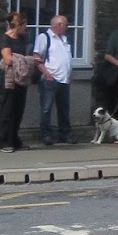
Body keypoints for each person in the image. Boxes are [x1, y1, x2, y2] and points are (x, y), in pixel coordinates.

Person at [0, 12, 37, 152]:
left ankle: (14, 139)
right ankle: (2, 141)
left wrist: (27, 60)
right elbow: (8, 59)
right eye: (24, 24)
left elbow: (25, 55)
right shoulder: (5, 39)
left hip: (21, 78)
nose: (26, 27)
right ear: (18, 25)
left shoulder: (23, 38)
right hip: (9, 79)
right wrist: (23, 60)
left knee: (19, 110)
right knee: (8, 110)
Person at [34, 13, 74, 145]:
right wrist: (46, 73)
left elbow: (66, 58)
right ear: (59, 25)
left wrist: (69, 73)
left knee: (64, 109)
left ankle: (65, 134)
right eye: (66, 24)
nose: (67, 27)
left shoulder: (64, 39)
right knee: (46, 108)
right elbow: (37, 58)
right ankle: (46, 134)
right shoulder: (44, 37)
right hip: (50, 78)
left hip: (64, 79)